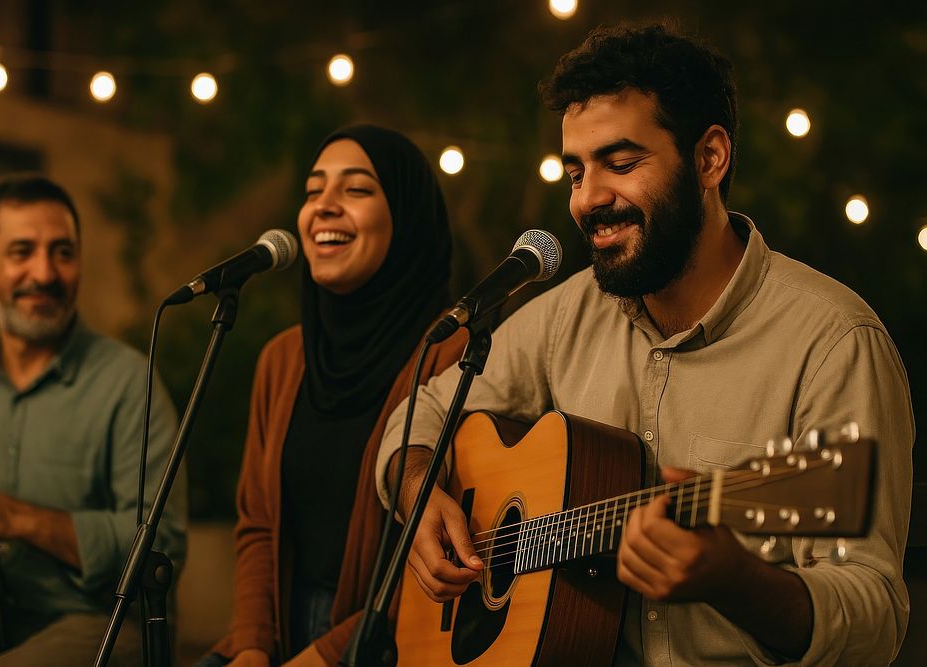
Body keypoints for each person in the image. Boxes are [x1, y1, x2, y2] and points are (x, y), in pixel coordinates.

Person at [376, 25, 913, 666]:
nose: (587, 199)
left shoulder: (834, 343)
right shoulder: (568, 313)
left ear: (710, 158)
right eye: (575, 172)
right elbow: (422, 412)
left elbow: (874, 618)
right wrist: (417, 491)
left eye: (621, 165)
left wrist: (736, 582)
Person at [201, 125, 466, 667]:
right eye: (313, 189)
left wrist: (327, 654)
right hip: (279, 631)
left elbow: (454, 546)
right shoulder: (282, 359)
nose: (322, 206)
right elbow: (257, 521)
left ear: (406, 218)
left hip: (391, 644)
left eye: (356, 189)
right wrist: (252, 645)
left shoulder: (456, 354)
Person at [0, 173, 187, 665]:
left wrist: (19, 519)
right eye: (22, 251)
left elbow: (164, 546)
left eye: (63, 252)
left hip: (101, 625)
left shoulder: (130, 383)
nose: (45, 273)